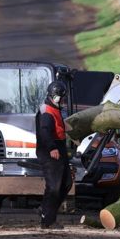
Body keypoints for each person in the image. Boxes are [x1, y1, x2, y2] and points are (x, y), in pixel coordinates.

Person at [35, 80, 72, 229]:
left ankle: (45, 209)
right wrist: (52, 148)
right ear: (55, 97)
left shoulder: (54, 108)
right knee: (54, 187)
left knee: (67, 183)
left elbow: (57, 127)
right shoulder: (47, 112)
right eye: (62, 98)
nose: (63, 101)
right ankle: (48, 221)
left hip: (59, 149)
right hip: (50, 152)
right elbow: (44, 131)